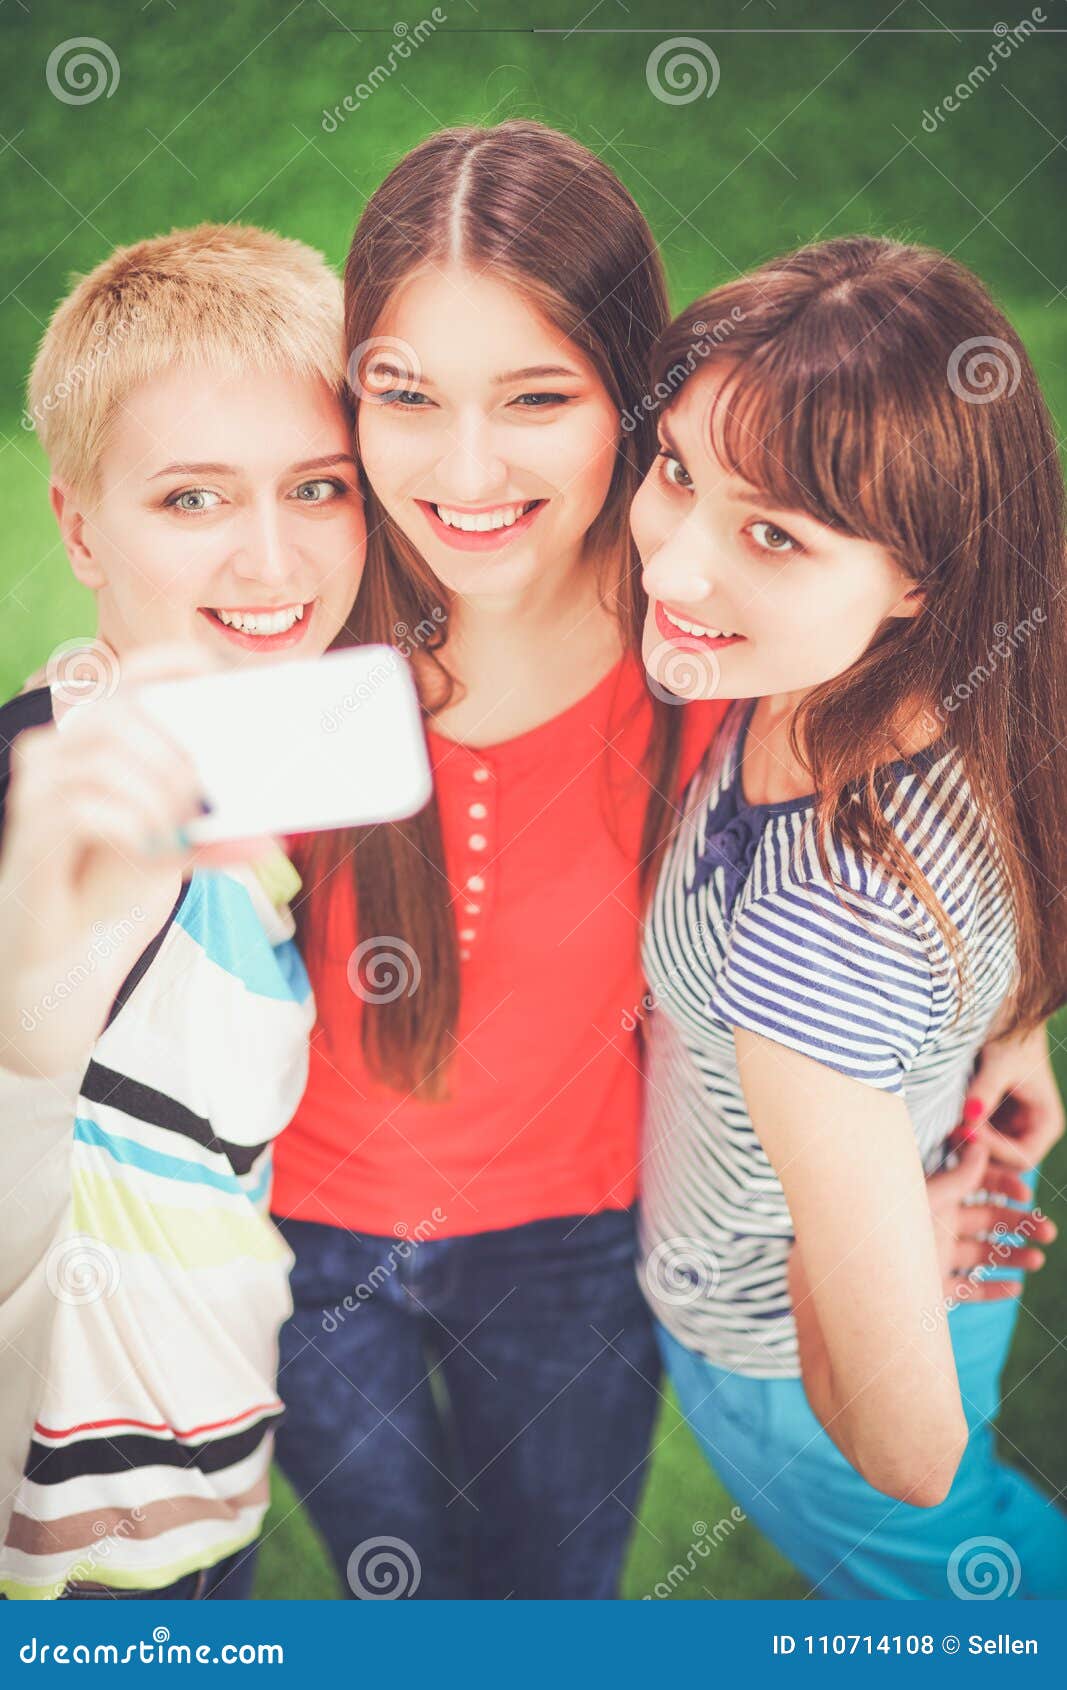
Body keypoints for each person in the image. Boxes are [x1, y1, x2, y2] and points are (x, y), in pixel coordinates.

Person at [269, 126, 1057, 1600]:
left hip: (576, 1249)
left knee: (550, 1597)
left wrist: (951, 1100)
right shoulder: (305, 613)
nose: (466, 467)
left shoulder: (705, 636)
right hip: (311, 1239)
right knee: (400, 1582)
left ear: (629, 399)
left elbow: (954, 734)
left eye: (539, 397)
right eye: (405, 395)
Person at [635, 234, 1067, 1598]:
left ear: (921, 574)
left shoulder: (809, 951)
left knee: (975, 1583)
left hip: (777, 1367)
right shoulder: (958, 685)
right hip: (935, 1176)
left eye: (773, 532)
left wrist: (857, 1254)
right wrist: (1019, 1040)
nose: (672, 569)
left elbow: (908, 1443)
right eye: (676, 473)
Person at [0, 224, 366, 1599]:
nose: (271, 562)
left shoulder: (280, 775)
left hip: (202, 1495)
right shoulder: (45, 802)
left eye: (319, 488)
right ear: (82, 524)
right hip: (58, 1561)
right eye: (192, 500)